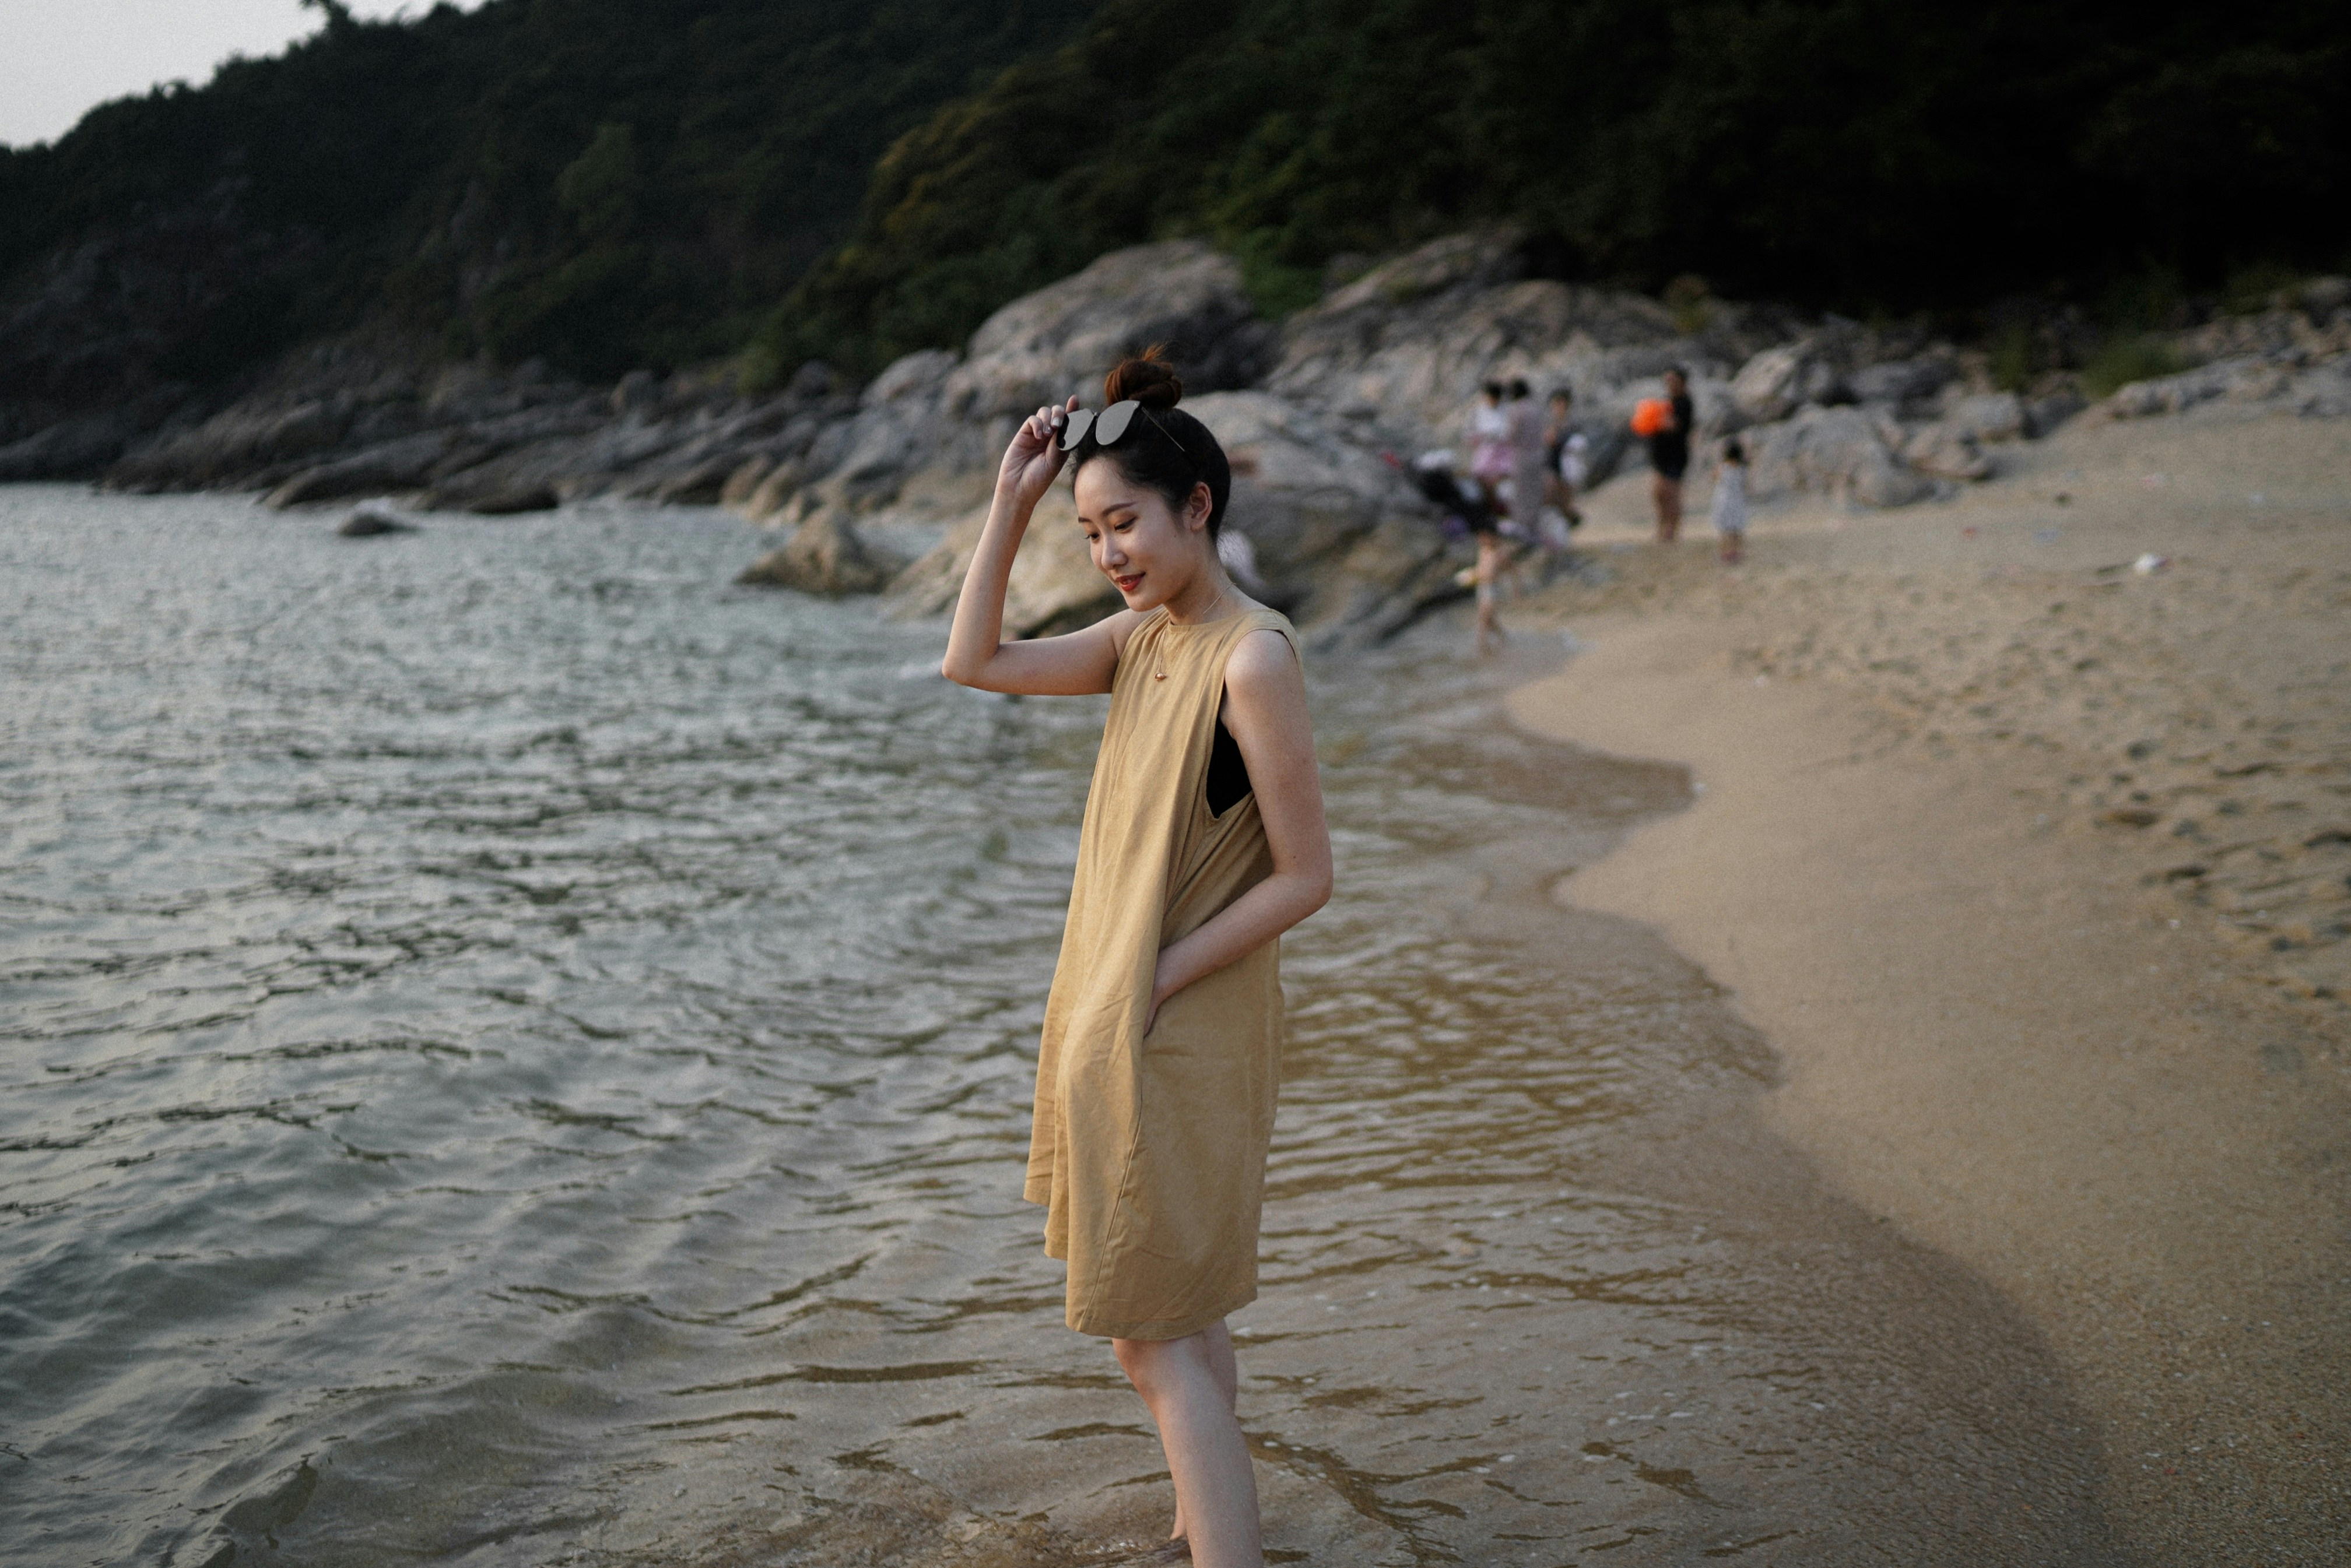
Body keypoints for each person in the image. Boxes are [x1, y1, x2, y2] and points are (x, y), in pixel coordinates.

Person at [942, 349, 1334, 1568]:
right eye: (1090, 530)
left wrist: (1160, 978)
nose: (1108, 551)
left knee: (1151, 1337)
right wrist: (1010, 505)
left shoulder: (1247, 658)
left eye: (1125, 524)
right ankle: (1199, 1527)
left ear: (1198, 508)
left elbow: (1306, 875)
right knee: (1184, 1316)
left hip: (1180, 1027)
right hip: (1131, 1019)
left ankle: (1225, 1553)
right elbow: (976, 660)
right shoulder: (1140, 637)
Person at [1644, 366, 1694, 543]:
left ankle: (1672, 532)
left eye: (1673, 381)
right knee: (1658, 493)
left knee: (1672, 493)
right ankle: (1661, 527)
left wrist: (1658, 417)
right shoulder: (1667, 401)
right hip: (1661, 456)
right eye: (1668, 381)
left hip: (1675, 456)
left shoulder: (1684, 403)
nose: (1669, 384)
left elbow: (1674, 426)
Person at [1504, 377, 1553, 552]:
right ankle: (1535, 528)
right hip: (1539, 455)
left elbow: (1512, 435)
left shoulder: (1516, 410)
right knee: (1535, 493)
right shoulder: (1537, 409)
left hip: (1522, 456)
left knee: (1521, 493)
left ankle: (1524, 529)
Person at [1543, 386, 1585, 535]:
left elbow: (1563, 442)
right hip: (1553, 464)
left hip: (1566, 466)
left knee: (1563, 500)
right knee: (1552, 499)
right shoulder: (1553, 422)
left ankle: (1569, 524)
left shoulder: (1570, 424)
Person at [1468, 380, 1511, 502]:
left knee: (1500, 485)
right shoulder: (1479, 412)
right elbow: (1471, 435)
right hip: (1484, 453)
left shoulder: (1506, 411)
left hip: (1502, 455)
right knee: (1481, 483)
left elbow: (1508, 434)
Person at [1710, 437, 1749, 565]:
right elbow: (1747, 486)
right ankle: (1736, 552)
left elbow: (1714, 478)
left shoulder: (1723, 469)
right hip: (1737, 502)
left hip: (1723, 501)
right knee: (1736, 529)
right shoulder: (1742, 470)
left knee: (1724, 530)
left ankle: (1724, 553)